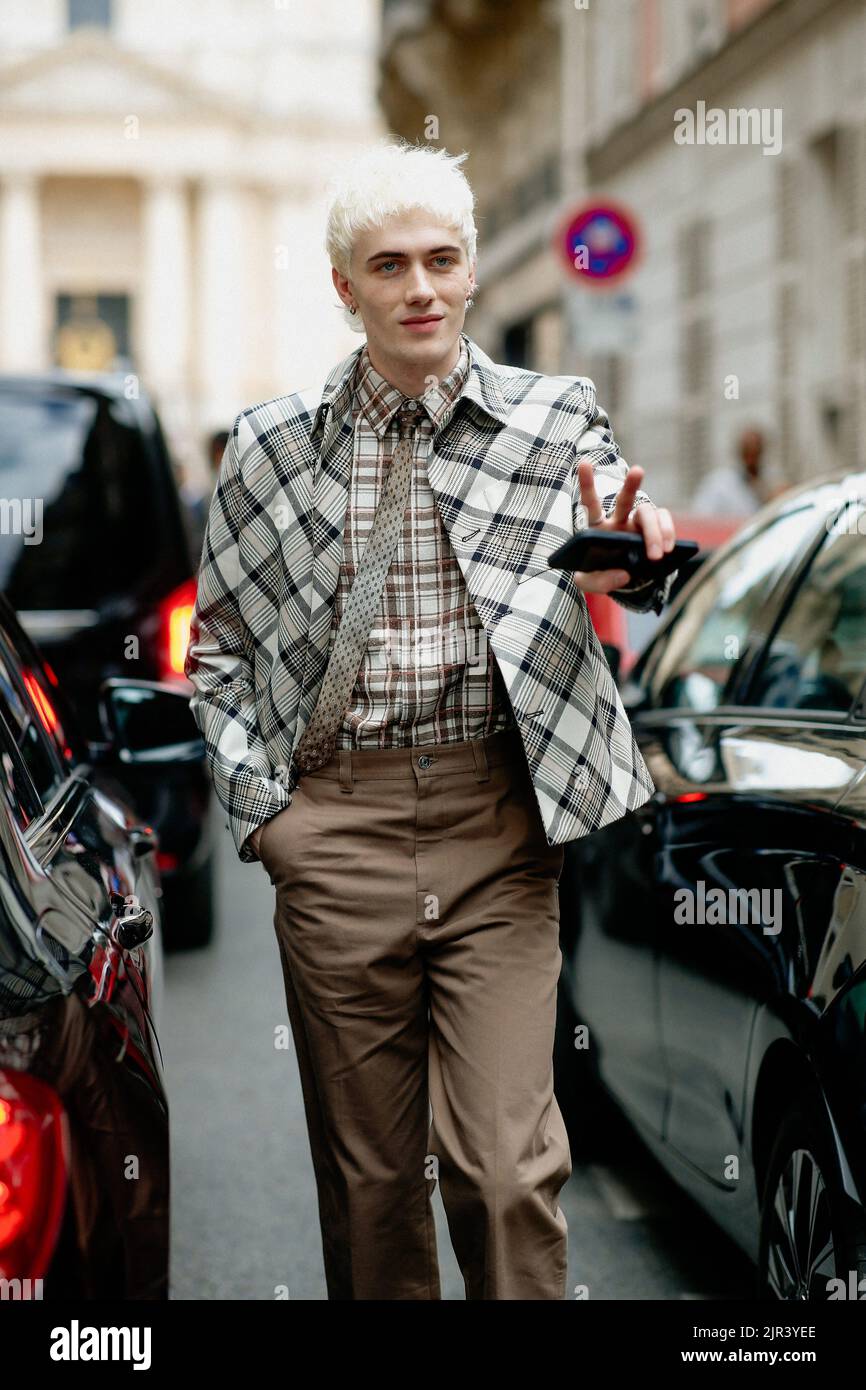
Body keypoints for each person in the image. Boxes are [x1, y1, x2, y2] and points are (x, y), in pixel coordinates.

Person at [184, 137, 678, 1301]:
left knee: (505, 1172)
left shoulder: (553, 418)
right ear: (344, 286)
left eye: (440, 260)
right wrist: (273, 824)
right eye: (388, 265)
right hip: (336, 830)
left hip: (496, 826)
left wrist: (638, 556)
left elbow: (620, 544)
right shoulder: (271, 445)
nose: (419, 287)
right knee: (370, 1191)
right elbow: (217, 654)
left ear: (470, 272)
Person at [691, 426, 770, 517]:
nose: (752, 459)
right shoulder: (719, 483)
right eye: (748, 451)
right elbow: (701, 516)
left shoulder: (765, 485)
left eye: (756, 451)